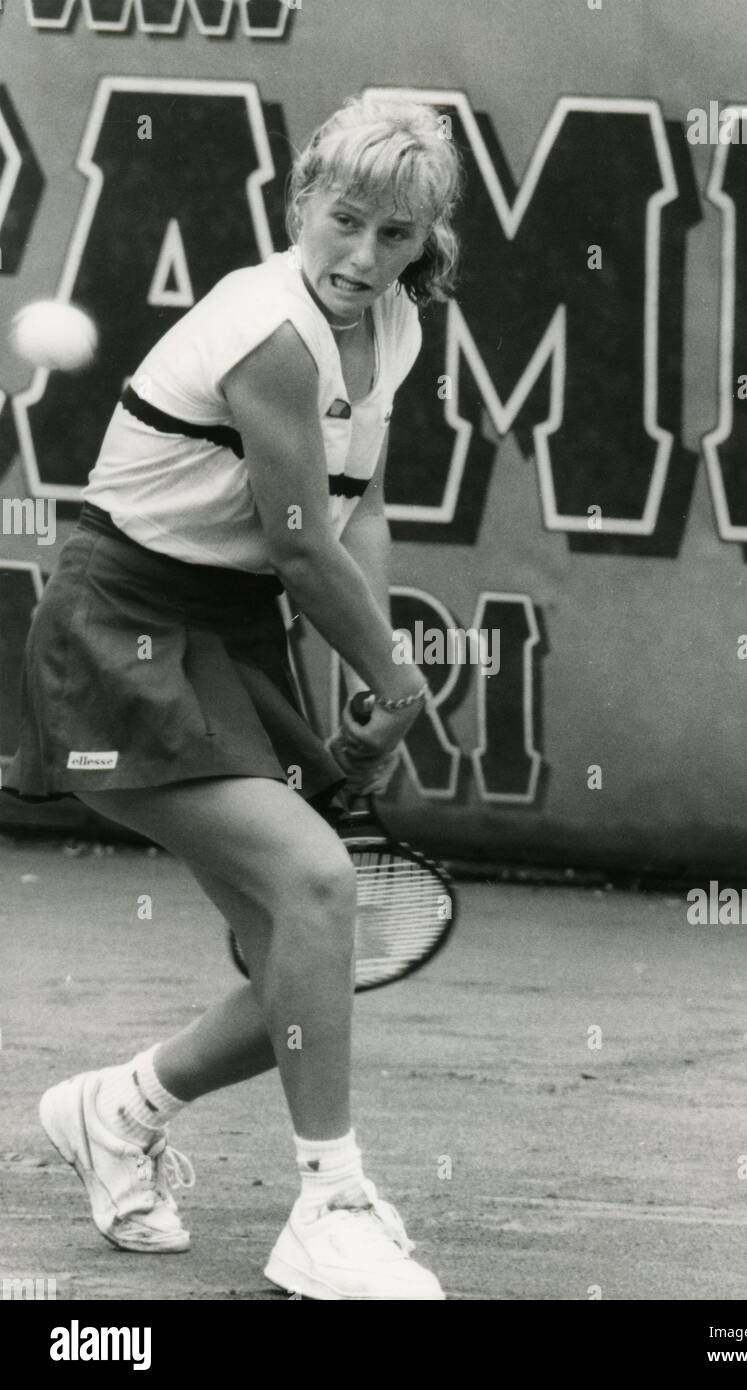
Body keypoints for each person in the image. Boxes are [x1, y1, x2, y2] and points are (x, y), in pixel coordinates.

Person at [1, 93, 462, 1300]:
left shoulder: (398, 327)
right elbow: (302, 545)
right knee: (316, 884)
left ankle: (118, 1109)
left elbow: (362, 516)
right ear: (300, 198)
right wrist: (396, 684)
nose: (364, 257)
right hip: (122, 621)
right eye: (345, 220)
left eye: (397, 234)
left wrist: (373, 680)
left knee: (303, 957)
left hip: (230, 627)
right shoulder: (268, 328)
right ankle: (330, 1200)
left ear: (427, 239)